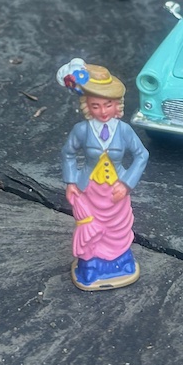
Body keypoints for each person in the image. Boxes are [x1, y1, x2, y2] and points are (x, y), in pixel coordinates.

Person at [58, 61, 149, 291]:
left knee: (116, 228)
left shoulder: (125, 130)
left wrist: (127, 183)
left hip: (115, 192)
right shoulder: (82, 130)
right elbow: (68, 153)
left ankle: (120, 261)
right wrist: (71, 181)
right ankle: (91, 265)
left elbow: (141, 155)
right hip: (90, 190)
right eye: (96, 106)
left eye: (107, 105)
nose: (103, 111)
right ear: (87, 106)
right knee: (91, 228)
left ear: (116, 105)